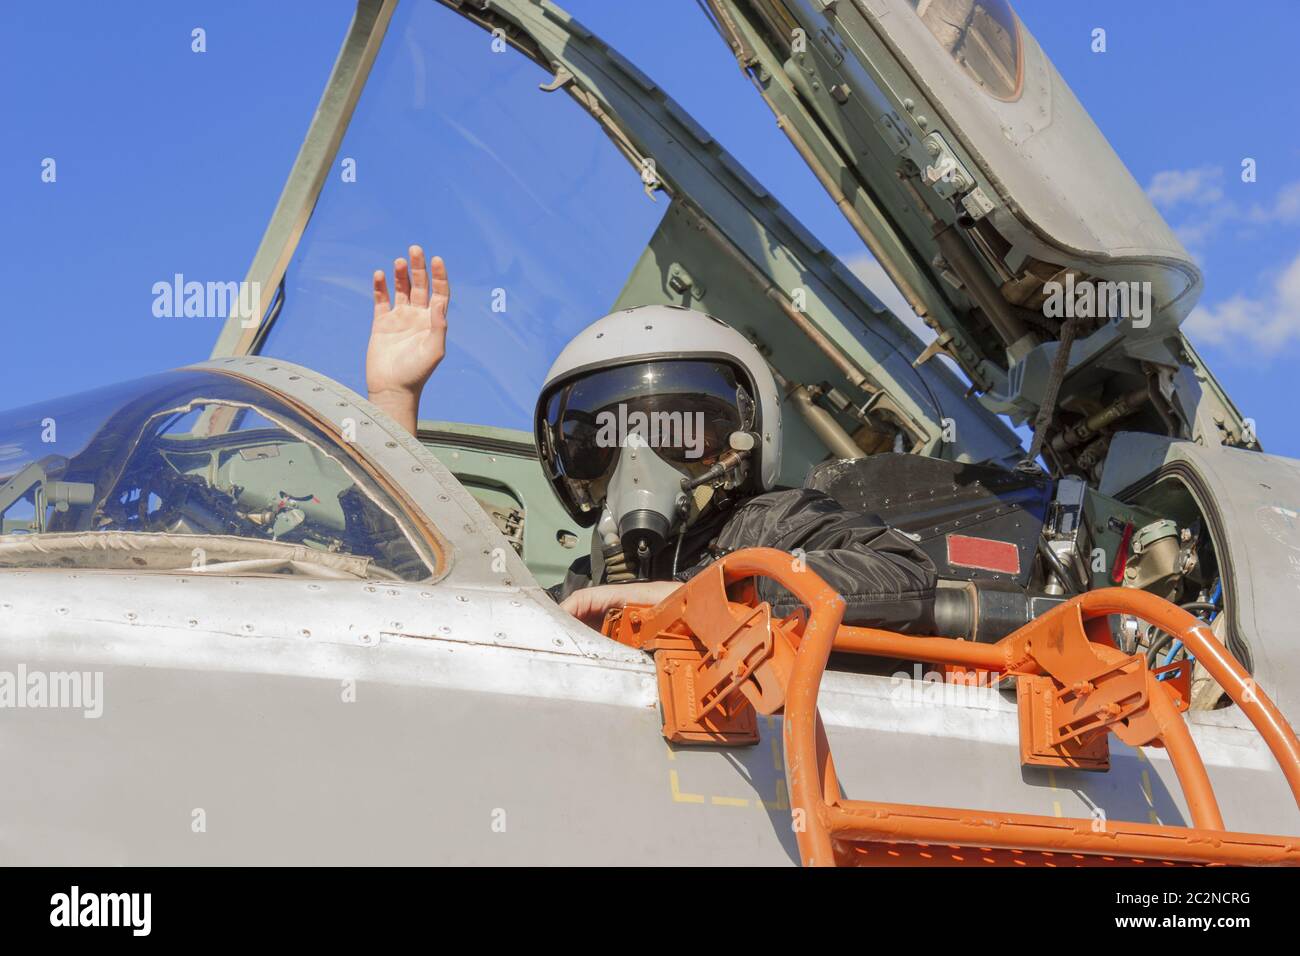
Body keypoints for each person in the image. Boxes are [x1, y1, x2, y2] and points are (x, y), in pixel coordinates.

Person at [365, 246, 944, 632]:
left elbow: (901, 573)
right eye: (602, 442)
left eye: (679, 435)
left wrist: (691, 595)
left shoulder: (773, 524)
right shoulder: (584, 583)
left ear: (740, 440)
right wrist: (394, 400)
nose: (637, 461)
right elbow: (437, 607)